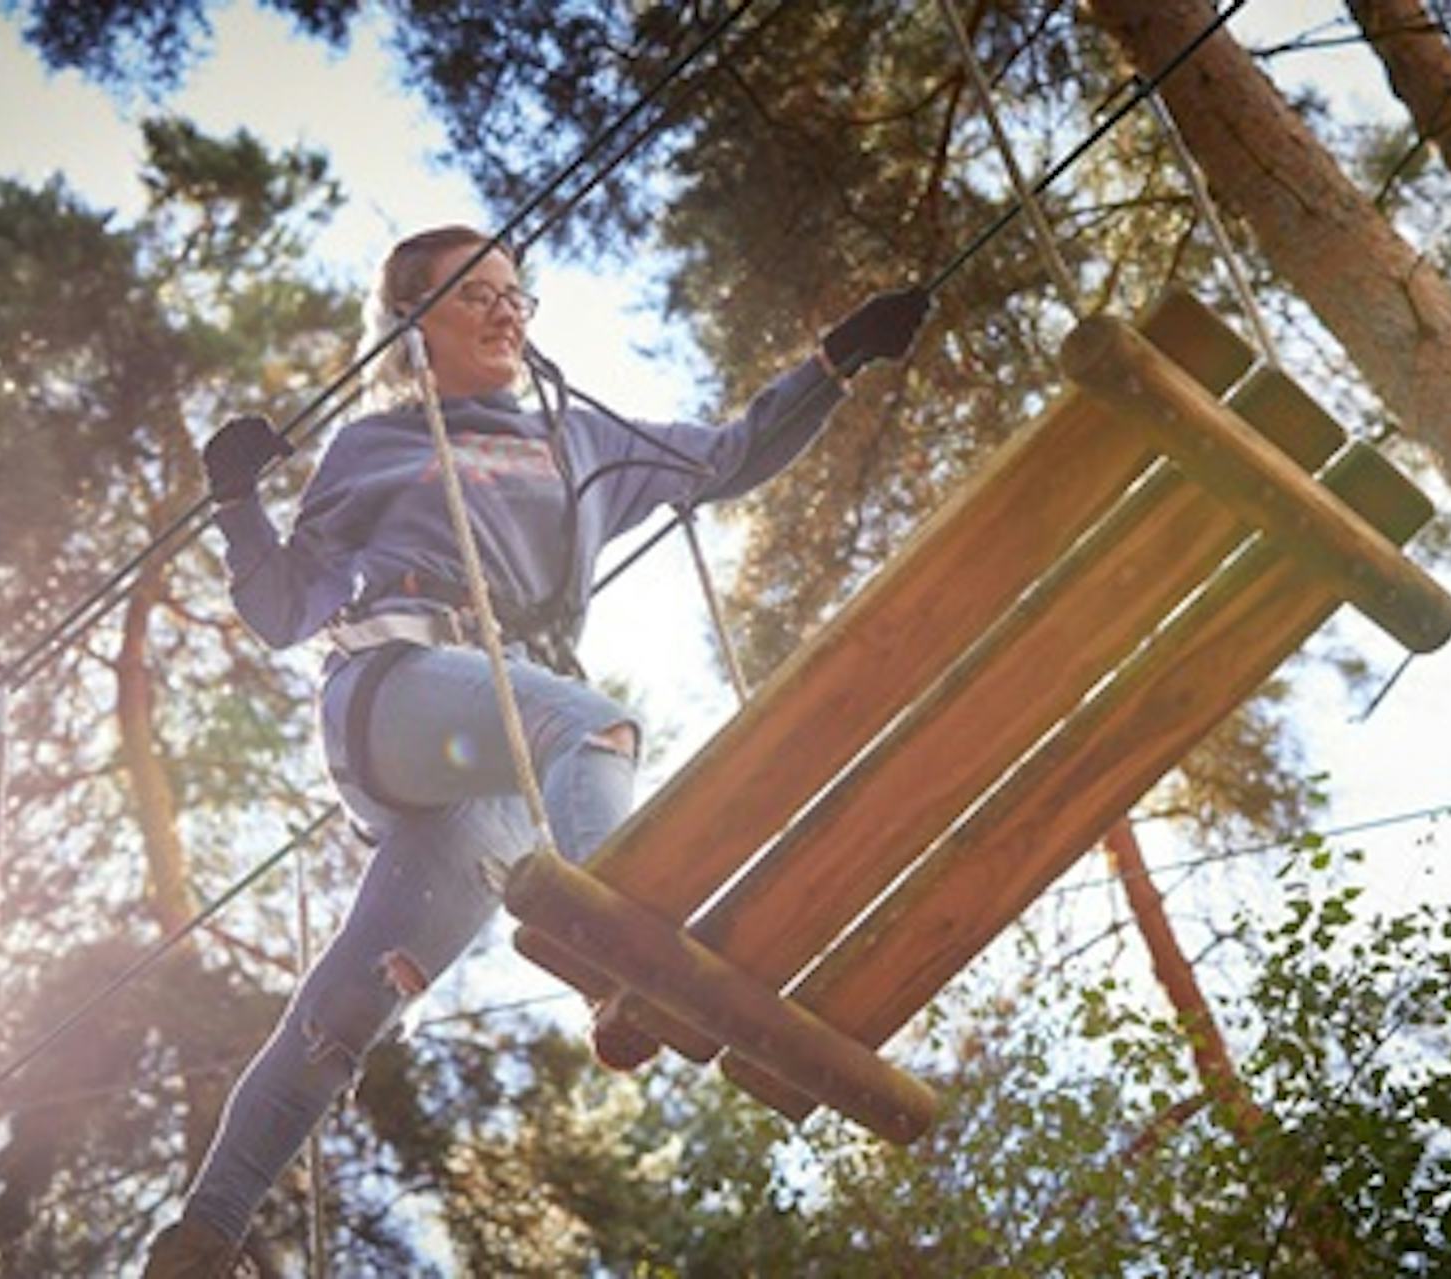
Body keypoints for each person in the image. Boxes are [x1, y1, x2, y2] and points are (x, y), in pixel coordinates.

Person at [144, 224, 929, 1276]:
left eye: (517, 294)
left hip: (507, 768)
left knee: (348, 1009)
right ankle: (625, 963)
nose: (506, 311)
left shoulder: (581, 443)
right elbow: (288, 609)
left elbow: (729, 455)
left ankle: (202, 1237)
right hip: (397, 694)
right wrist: (238, 505)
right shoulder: (372, 445)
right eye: (473, 295)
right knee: (595, 727)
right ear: (413, 327)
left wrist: (835, 364)